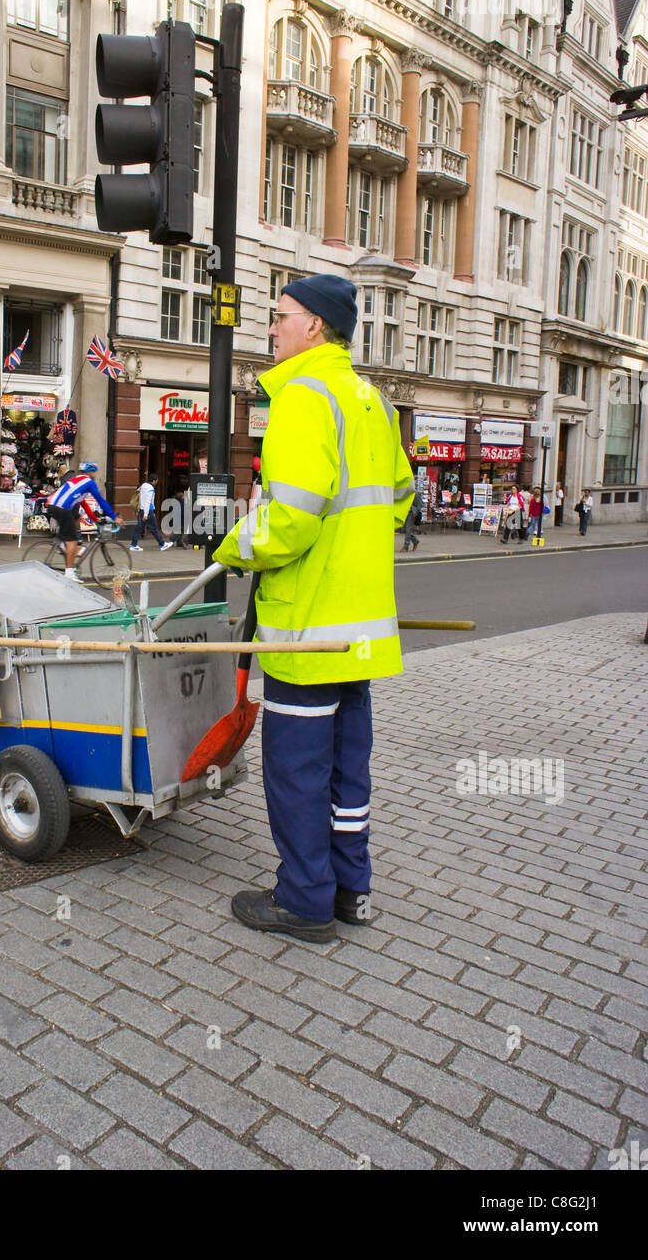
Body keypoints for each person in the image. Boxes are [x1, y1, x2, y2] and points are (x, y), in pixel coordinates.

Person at [213, 274, 414, 943]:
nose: (270, 328)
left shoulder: (303, 397)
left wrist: (235, 543)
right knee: (345, 769)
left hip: (306, 633)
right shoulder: (372, 401)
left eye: (279, 317)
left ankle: (302, 901)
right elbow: (400, 496)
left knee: (297, 772)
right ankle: (349, 892)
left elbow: (289, 522)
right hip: (358, 633)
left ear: (314, 327)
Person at [46, 462, 119, 579]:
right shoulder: (89, 482)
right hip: (63, 508)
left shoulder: (77, 481)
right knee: (73, 540)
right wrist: (114, 517)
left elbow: (84, 504)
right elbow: (100, 500)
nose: (94, 475)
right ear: (90, 472)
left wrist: (94, 519)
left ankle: (63, 544)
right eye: (94, 472)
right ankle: (69, 572)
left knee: (74, 523)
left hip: (53, 505)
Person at [129, 473, 174, 552]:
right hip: (148, 511)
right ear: (153, 480)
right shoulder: (150, 489)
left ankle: (133, 545)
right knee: (154, 529)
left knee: (139, 528)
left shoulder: (143, 485)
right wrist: (146, 514)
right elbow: (148, 502)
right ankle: (162, 544)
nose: (157, 482)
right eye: (156, 481)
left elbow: (138, 492)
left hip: (141, 510)